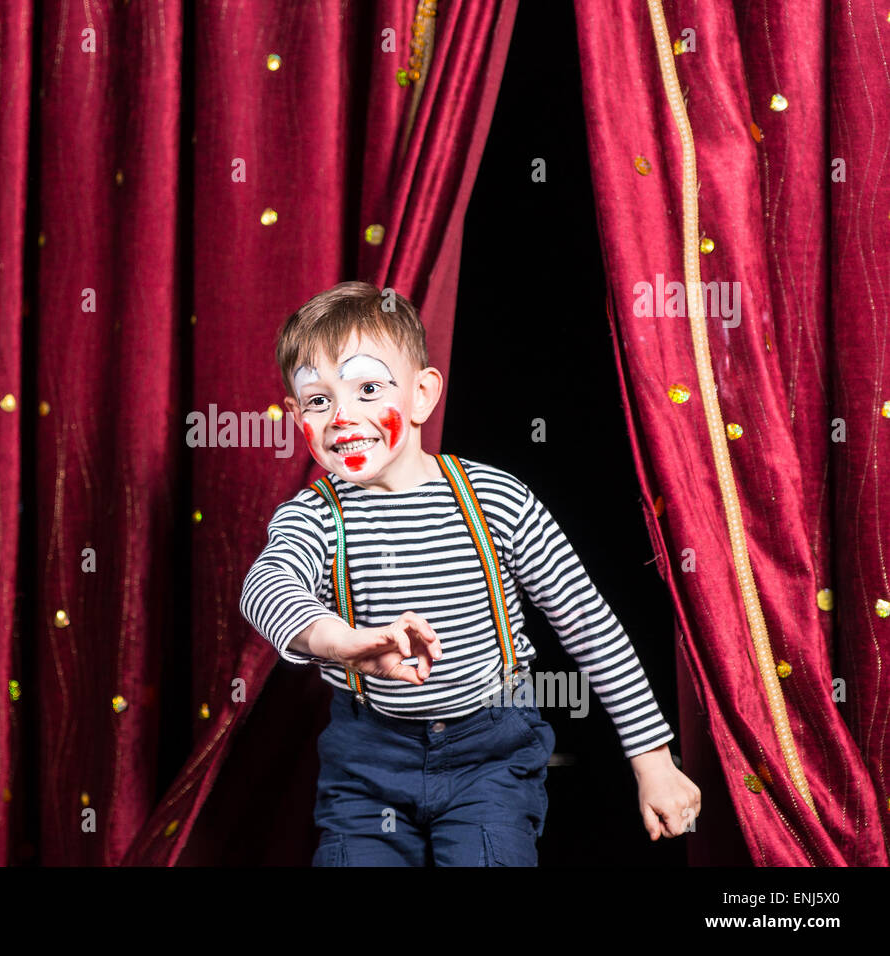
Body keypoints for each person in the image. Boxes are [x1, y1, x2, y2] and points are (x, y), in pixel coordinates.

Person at [239, 280, 700, 866]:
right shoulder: (311, 516)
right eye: (318, 400)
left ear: (423, 395)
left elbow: (589, 625)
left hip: (492, 755)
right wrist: (348, 642)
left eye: (368, 387)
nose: (343, 416)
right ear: (296, 415)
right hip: (366, 761)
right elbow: (267, 587)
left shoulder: (494, 500)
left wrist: (653, 760)